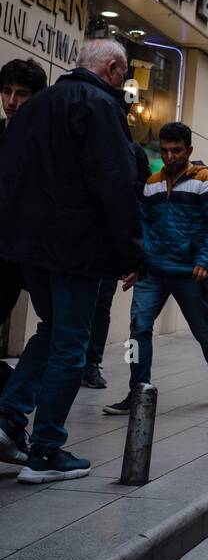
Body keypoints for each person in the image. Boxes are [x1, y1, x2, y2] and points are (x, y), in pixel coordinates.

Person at [0, 41, 142, 482]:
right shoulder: (100, 106)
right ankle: (46, 450)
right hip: (76, 249)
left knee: (52, 329)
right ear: (114, 68)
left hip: (30, 249)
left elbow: (11, 176)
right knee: (70, 343)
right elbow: (115, 184)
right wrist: (131, 252)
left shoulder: (38, 106)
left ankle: (8, 419)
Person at [103, 122, 208, 414]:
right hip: (153, 271)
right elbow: (143, 224)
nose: (170, 156)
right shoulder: (152, 183)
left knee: (204, 331)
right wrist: (138, 262)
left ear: (189, 150)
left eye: (176, 150)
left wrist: (205, 260)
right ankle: (138, 390)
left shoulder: (207, 181)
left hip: (189, 271)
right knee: (138, 330)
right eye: (164, 150)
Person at [81, 143, 153, 389]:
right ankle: (74, 361)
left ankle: (91, 363)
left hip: (109, 244)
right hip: (76, 240)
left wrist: (132, 253)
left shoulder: (132, 151)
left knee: (101, 304)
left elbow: (138, 202)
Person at [0, 57, 48, 393]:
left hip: (26, 251)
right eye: (6, 91)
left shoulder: (43, 142)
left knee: (57, 324)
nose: (11, 101)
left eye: (21, 93)